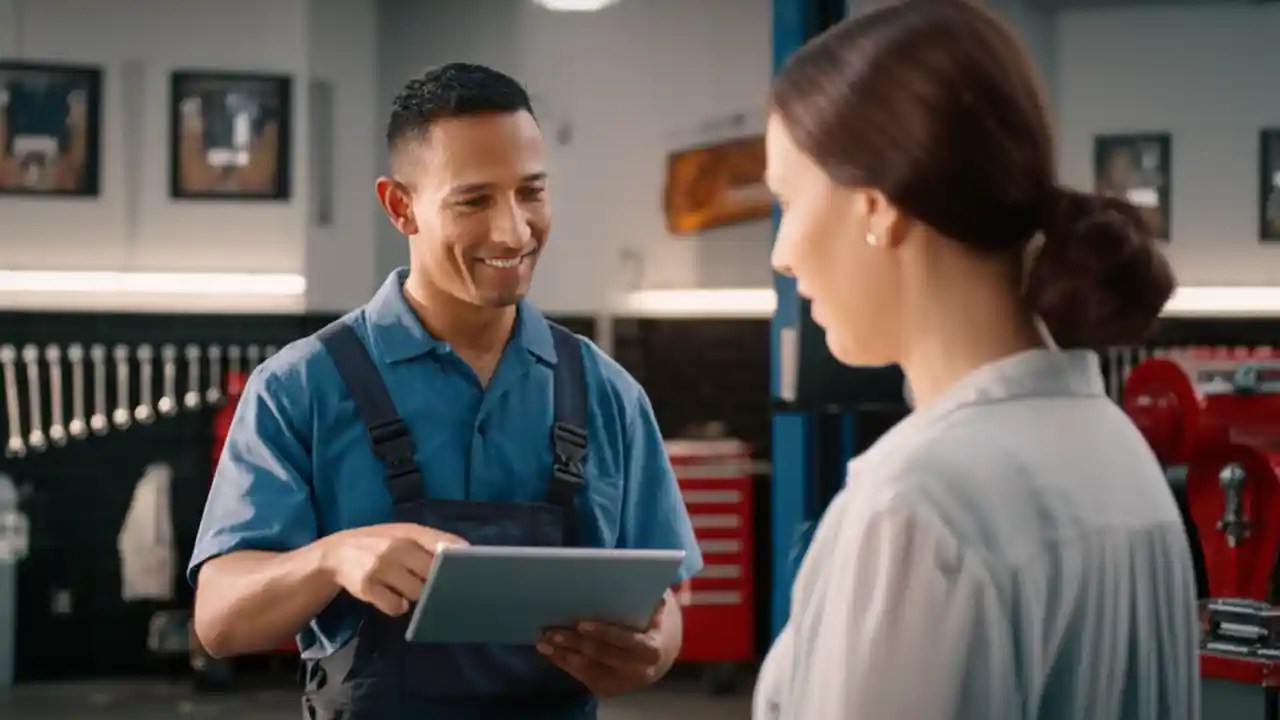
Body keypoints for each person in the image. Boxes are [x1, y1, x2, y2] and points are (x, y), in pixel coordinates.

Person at [188, 62, 703, 719]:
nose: (513, 231)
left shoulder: (608, 394)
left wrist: (654, 648)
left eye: (531, 193)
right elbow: (218, 620)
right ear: (401, 206)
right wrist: (330, 559)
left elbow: (664, 608)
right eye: (474, 200)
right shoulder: (298, 389)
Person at [755, 2, 1197, 719]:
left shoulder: (918, 506)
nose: (782, 253)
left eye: (789, 200)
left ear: (878, 207)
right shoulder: (1118, 452)